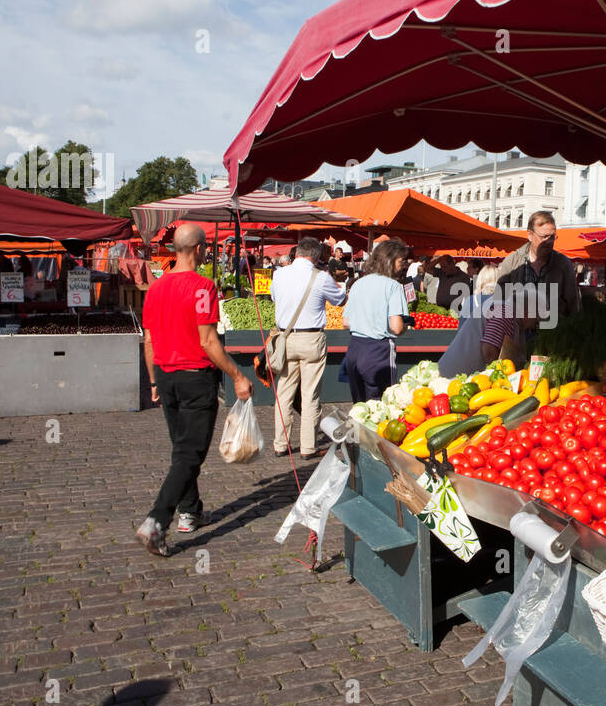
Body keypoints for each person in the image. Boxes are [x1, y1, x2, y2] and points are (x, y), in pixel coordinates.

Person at [138, 224, 252, 556]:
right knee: (190, 454)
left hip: (166, 375)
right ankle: (157, 521)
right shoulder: (202, 287)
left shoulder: (155, 288)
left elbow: (149, 342)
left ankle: (190, 511)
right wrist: (236, 375)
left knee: (181, 451)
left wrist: (154, 381)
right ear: (200, 250)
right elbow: (209, 341)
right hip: (195, 378)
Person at [268, 237, 346, 459]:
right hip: (311, 338)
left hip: (285, 337)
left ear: (298, 252)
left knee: (284, 392)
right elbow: (339, 300)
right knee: (310, 394)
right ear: (317, 256)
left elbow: (274, 297)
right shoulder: (321, 277)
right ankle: (308, 447)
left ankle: (280, 444)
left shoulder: (279, 274)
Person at [343, 238, 410, 402]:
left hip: (354, 350)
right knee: (382, 406)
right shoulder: (393, 286)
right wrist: (406, 325)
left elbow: (345, 322)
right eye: (401, 261)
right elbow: (396, 327)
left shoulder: (358, 283)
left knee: (360, 408)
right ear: (390, 260)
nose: (404, 265)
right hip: (378, 352)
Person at [496, 210, 581, 329]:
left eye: (552, 237)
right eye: (544, 237)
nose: (549, 242)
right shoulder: (511, 263)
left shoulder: (563, 265)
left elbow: (573, 304)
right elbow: (500, 302)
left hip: (551, 336)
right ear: (530, 235)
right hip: (517, 335)